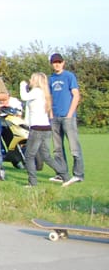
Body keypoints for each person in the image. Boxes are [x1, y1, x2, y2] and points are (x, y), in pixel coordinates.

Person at [19, 72, 68, 187]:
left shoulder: (36, 91)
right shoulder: (44, 94)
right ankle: (65, 176)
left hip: (37, 129)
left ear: (36, 81)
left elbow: (24, 97)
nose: (30, 81)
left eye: (32, 79)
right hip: (46, 128)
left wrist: (22, 85)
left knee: (29, 156)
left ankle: (32, 182)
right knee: (46, 156)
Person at [49, 52, 84, 186]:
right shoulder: (50, 79)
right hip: (55, 117)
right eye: (54, 62)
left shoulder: (69, 76)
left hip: (67, 117)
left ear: (63, 63)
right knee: (57, 148)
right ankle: (61, 173)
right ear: (52, 64)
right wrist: (51, 114)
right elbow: (49, 98)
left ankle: (78, 174)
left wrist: (70, 114)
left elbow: (76, 95)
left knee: (74, 147)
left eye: (59, 62)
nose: (57, 64)